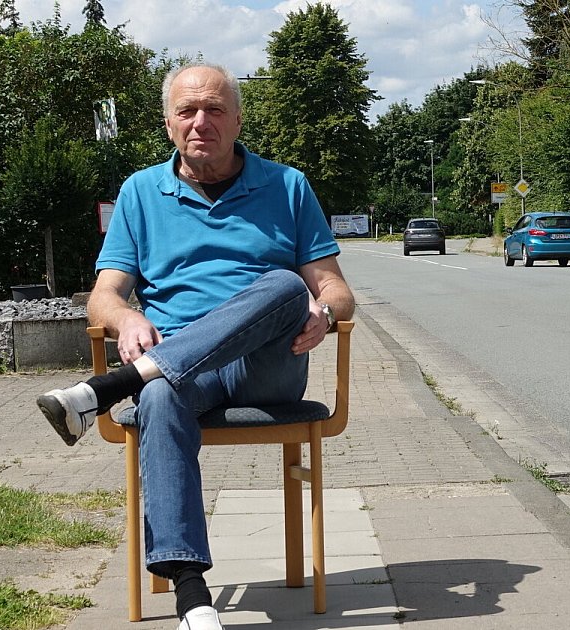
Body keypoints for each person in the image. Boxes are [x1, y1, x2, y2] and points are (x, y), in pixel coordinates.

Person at [36, 63, 355, 630]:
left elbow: (335, 289)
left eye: (214, 109)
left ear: (237, 120)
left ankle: (110, 388)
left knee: (286, 286)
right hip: (186, 373)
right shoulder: (140, 192)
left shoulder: (287, 185)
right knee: (159, 397)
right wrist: (125, 316)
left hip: (267, 369)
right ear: (169, 124)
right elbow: (103, 297)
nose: (200, 121)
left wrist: (325, 312)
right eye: (187, 111)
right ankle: (192, 598)